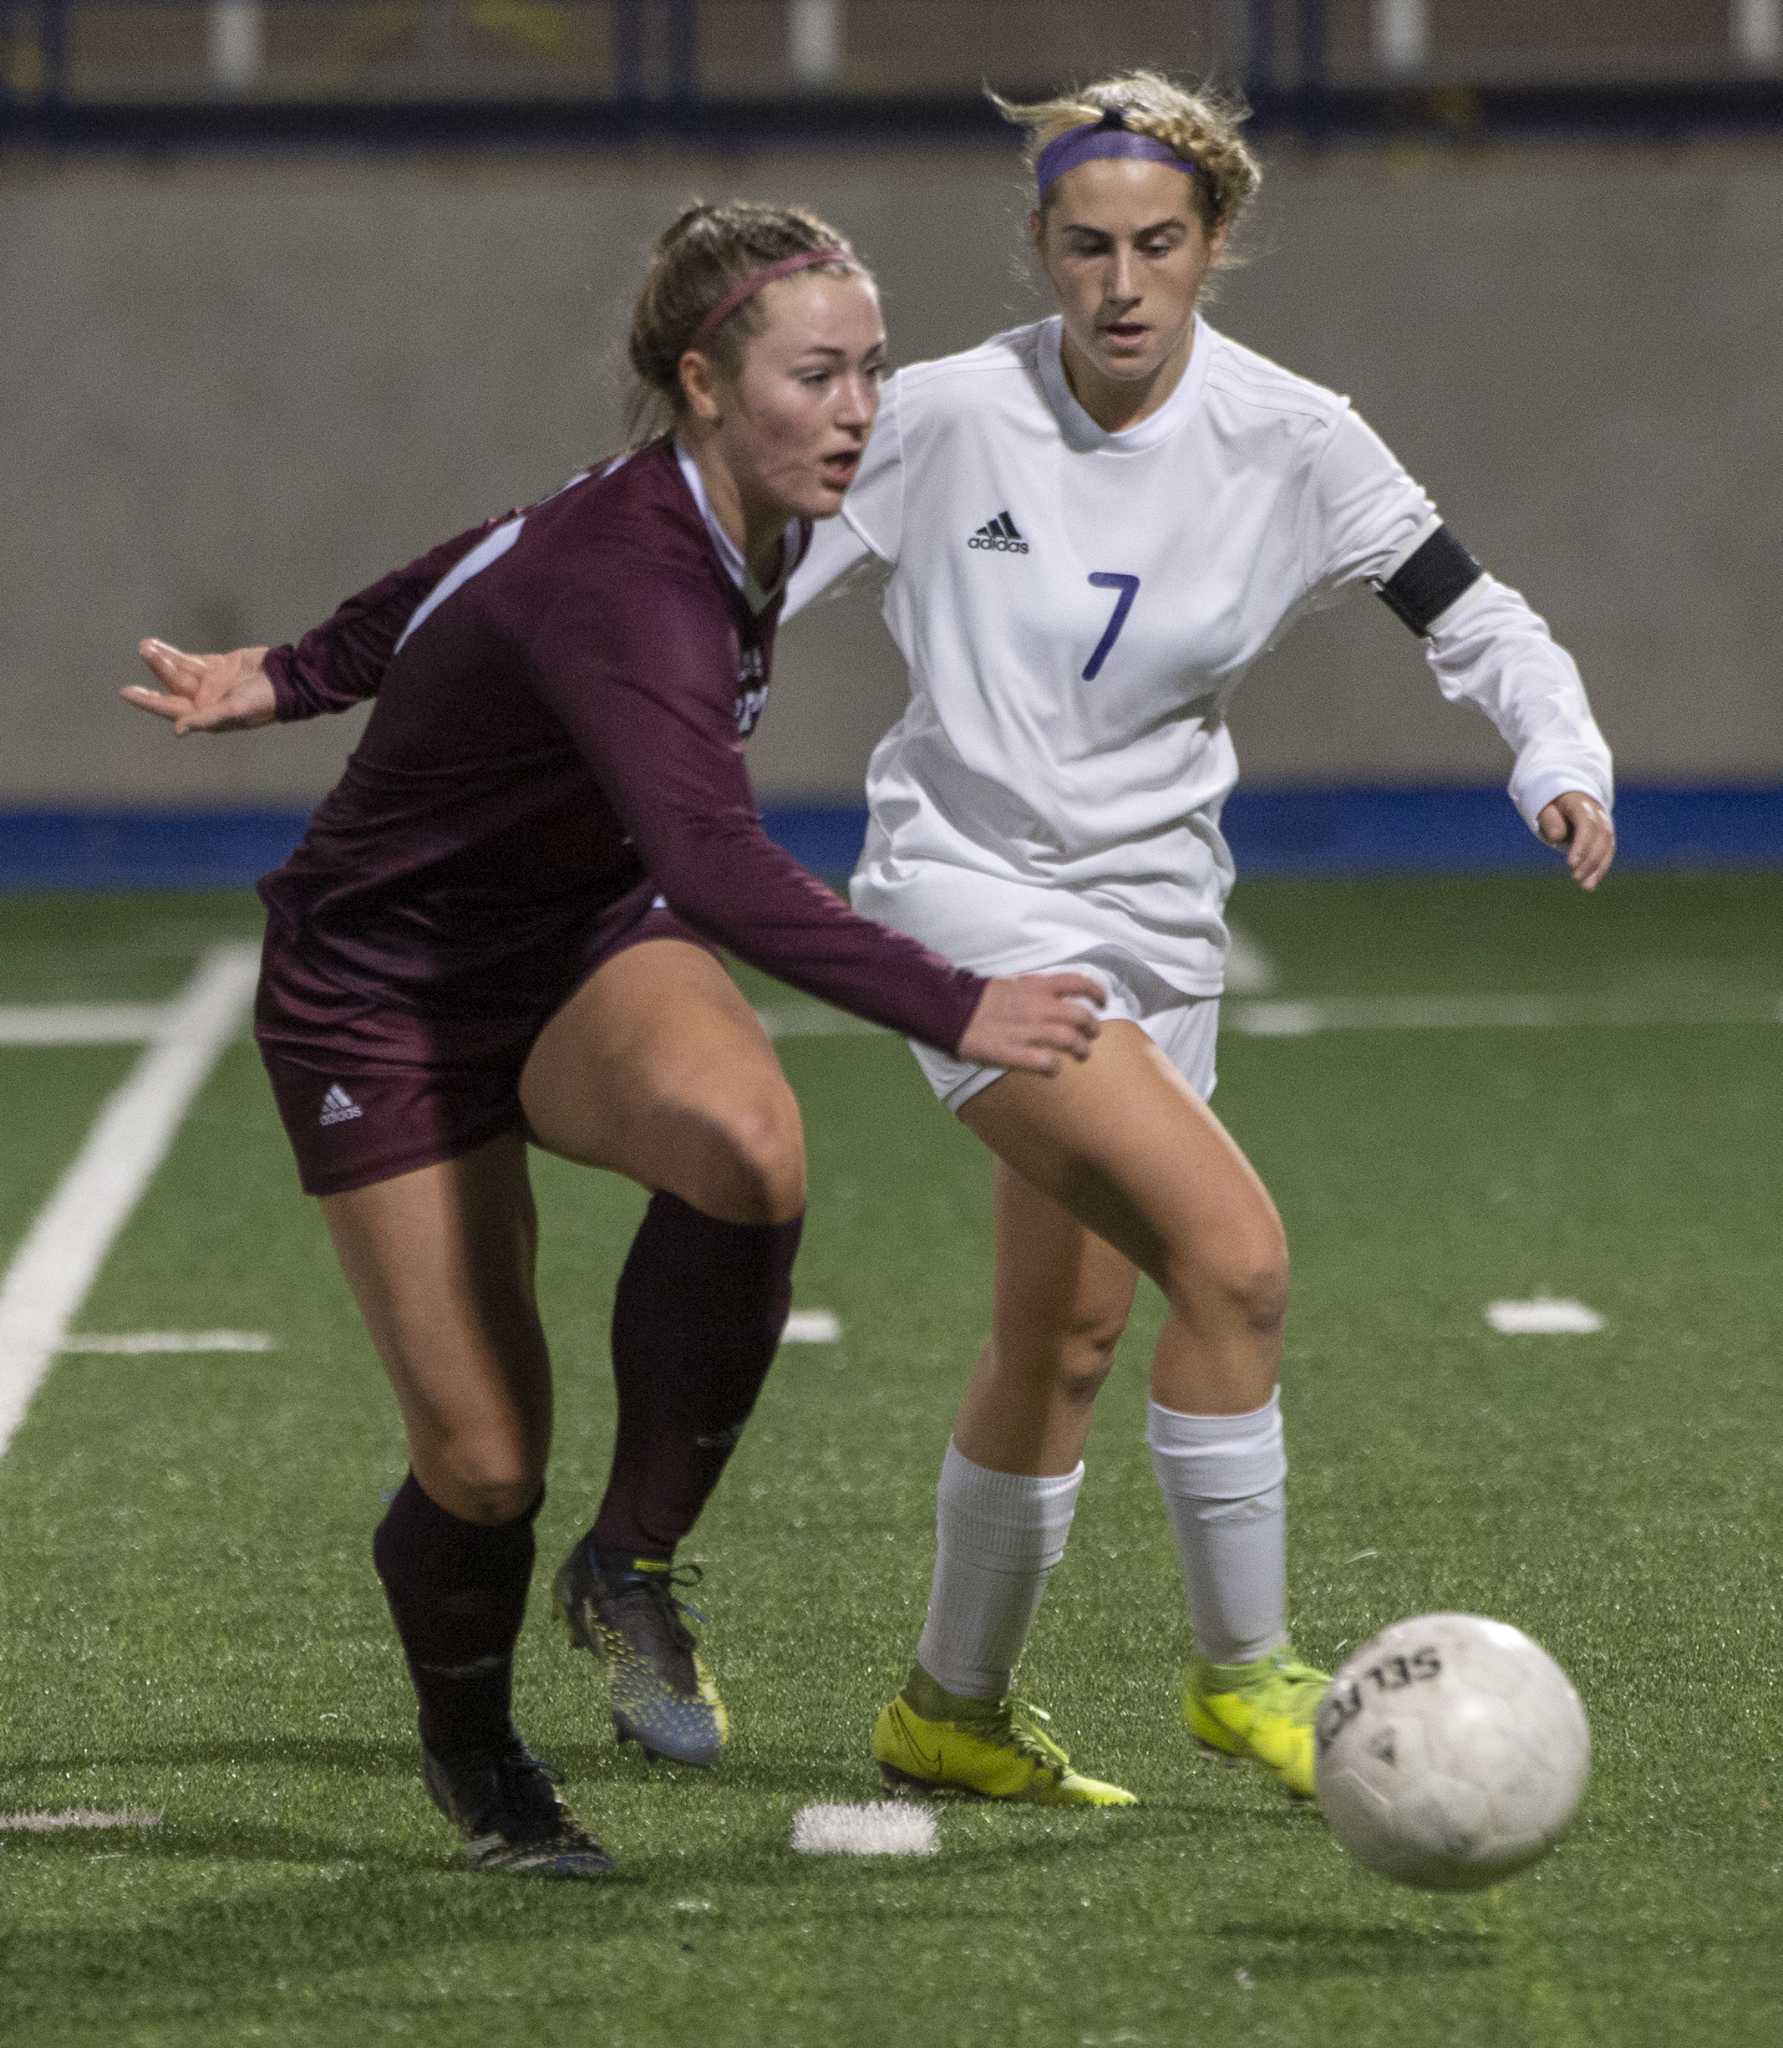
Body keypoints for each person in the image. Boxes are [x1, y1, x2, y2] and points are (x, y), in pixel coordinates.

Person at [122, 202, 1103, 1877]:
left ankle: (630, 1563)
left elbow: (472, 563)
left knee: (749, 1152)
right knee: (485, 1463)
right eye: (818, 375)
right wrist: (955, 1003)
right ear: (703, 381)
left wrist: (287, 672)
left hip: (574, 942)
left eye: (871, 367)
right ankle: (479, 1757)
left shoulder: (724, 508)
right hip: (386, 989)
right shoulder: (643, 579)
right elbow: (715, 864)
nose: (860, 407)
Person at [781, 72, 1616, 1808]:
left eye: (1159, 244)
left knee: (1065, 1337)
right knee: (1234, 1263)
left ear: (1214, 245)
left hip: (1161, 923)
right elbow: (709, 580)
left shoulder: (1296, 438)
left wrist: (1555, 750)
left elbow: (1476, 614)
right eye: (1084, 245)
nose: (1120, 284)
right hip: (972, 903)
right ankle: (1248, 1679)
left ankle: (949, 1706)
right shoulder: (935, 417)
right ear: (1038, 246)